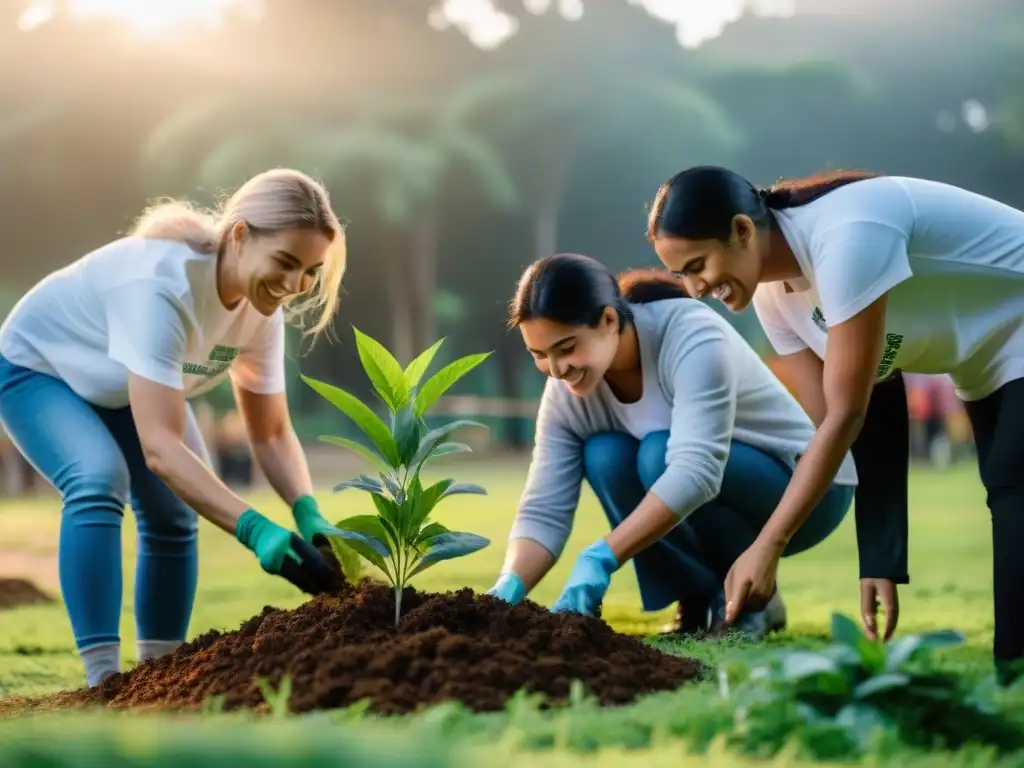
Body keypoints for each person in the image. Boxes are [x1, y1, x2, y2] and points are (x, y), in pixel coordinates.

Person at [647, 166, 1024, 684]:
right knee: (1008, 491)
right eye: (680, 275)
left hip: (1017, 324)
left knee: (1013, 489)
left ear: (741, 230)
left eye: (698, 265)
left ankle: (1014, 671)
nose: (694, 289)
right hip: (983, 357)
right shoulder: (774, 299)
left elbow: (847, 414)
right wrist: (881, 559)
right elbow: (852, 418)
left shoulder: (846, 233)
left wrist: (768, 543)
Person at [0, 168, 352, 688]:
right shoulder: (162, 286)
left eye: (310, 272)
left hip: (124, 383)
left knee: (173, 514)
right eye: (284, 262)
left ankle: (157, 677)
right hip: (39, 370)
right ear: (239, 236)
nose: (295, 286)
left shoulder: (262, 311)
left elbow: (272, 434)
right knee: (97, 481)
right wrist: (255, 530)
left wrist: (308, 513)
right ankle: (104, 683)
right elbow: (161, 450)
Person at [487, 253, 857, 636]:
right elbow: (544, 508)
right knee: (605, 455)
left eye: (566, 348)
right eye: (540, 355)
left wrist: (601, 556)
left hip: (810, 487)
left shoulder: (690, 335)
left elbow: (696, 472)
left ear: (609, 320)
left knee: (657, 455)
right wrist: (507, 589)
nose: (557, 369)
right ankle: (697, 599)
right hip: (725, 483)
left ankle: (746, 603)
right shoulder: (565, 394)